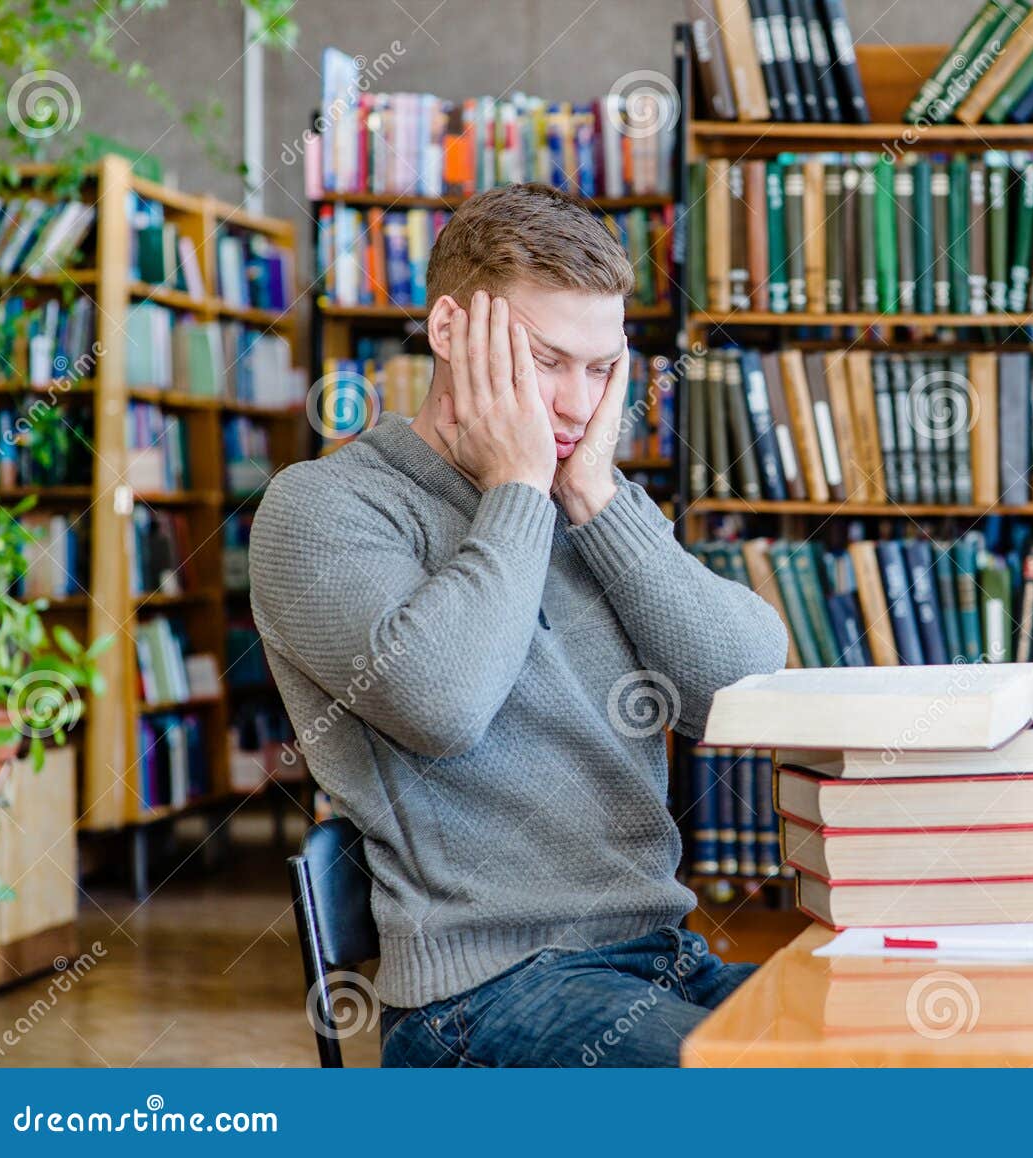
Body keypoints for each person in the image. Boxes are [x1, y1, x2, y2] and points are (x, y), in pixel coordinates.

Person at [249, 183, 787, 1066]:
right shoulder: (324, 508)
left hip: (663, 959)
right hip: (482, 997)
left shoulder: (594, 504)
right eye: (546, 360)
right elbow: (442, 705)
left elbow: (742, 688)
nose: (578, 405)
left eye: (603, 368)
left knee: (895, 1067)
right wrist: (518, 491)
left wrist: (594, 497)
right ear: (452, 331)